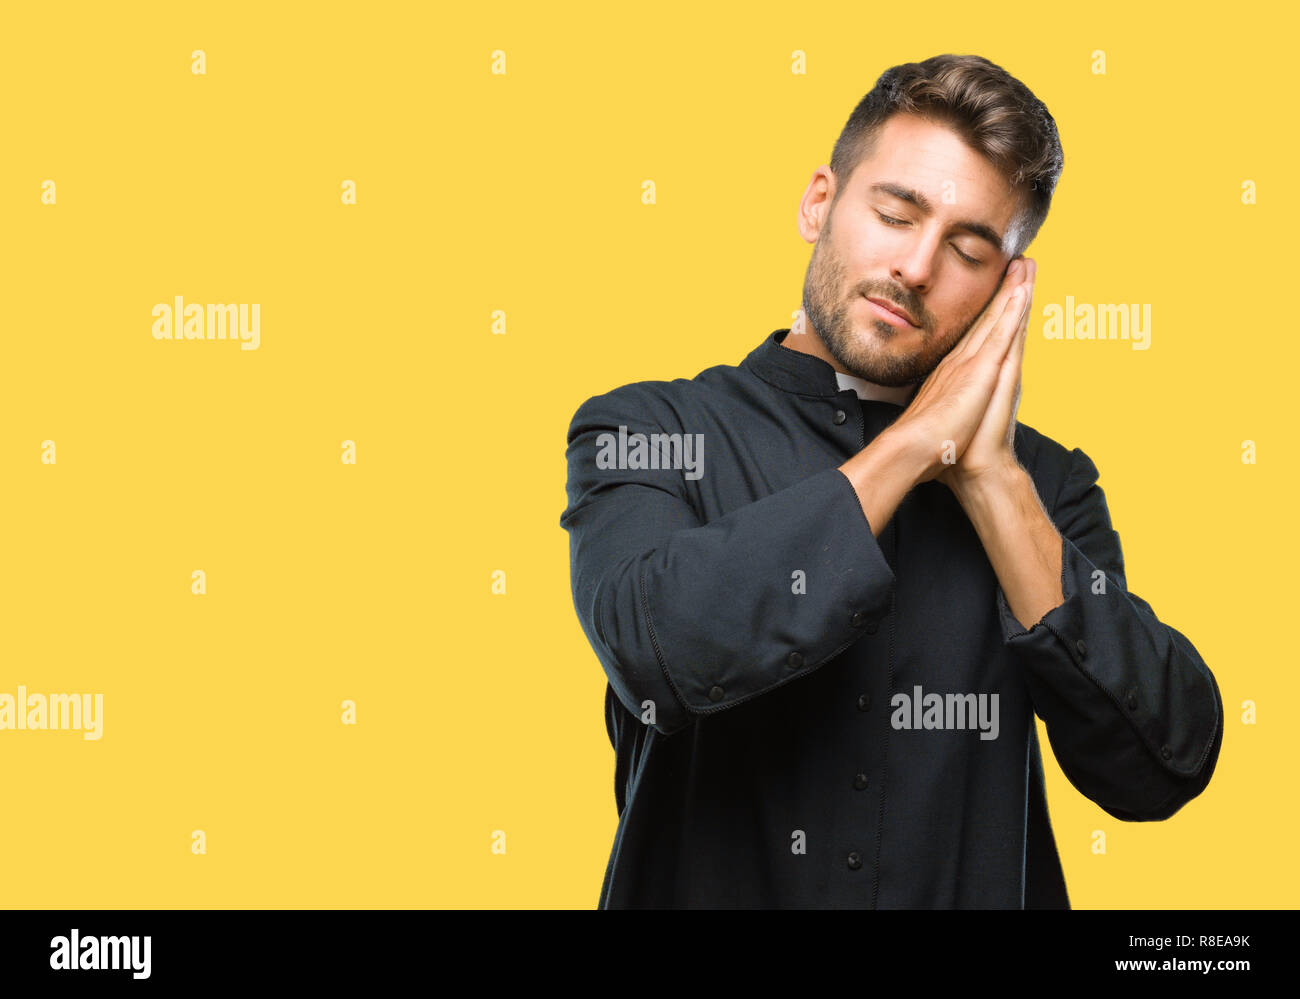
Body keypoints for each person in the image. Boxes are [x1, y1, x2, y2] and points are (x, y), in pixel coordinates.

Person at [558, 53, 1222, 908]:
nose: (916, 267)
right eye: (896, 212)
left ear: (1006, 289)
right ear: (819, 203)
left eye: (969, 249)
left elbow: (1161, 763)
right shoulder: (647, 430)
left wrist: (990, 480)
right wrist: (913, 446)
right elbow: (656, 650)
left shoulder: (1047, 487)